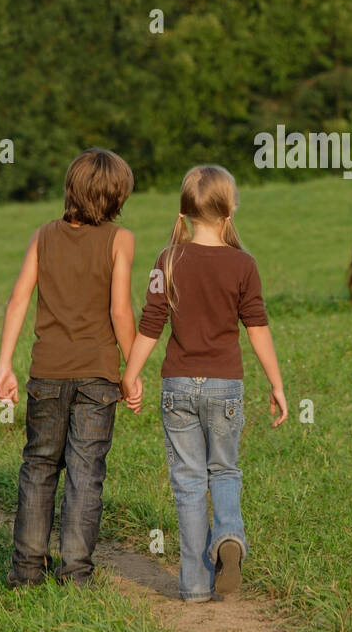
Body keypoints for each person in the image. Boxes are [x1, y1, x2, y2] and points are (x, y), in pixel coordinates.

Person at [122, 164, 286, 602]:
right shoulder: (243, 264)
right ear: (230, 208)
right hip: (225, 387)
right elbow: (257, 328)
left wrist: (130, 373)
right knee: (224, 470)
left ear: (185, 210)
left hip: (177, 386)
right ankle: (229, 536)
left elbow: (151, 324)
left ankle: (194, 585)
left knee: (189, 482)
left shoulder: (167, 260)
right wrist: (277, 384)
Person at [0, 147, 138, 587]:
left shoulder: (43, 235)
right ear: (117, 197)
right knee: (85, 472)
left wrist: (5, 365)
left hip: (46, 375)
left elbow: (19, 299)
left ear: (70, 189)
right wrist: (132, 370)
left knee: (39, 466)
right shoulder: (121, 240)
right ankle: (75, 573)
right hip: (98, 376)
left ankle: (25, 573)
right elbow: (119, 311)